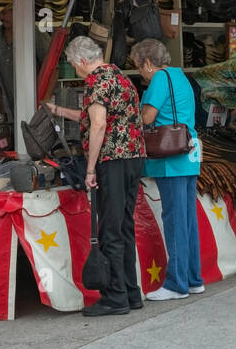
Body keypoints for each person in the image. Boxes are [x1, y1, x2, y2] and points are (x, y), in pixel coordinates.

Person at [47, 36, 146, 317]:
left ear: (81, 61)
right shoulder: (119, 77)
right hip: (133, 158)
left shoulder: (95, 82)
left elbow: (99, 124)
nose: (75, 71)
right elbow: (93, 116)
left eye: (72, 65)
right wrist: (57, 111)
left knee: (110, 231)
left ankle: (115, 298)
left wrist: (90, 169)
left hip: (112, 161)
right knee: (123, 226)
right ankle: (130, 292)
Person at [129, 38, 203, 302]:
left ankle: (176, 284)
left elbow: (147, 117)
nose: (140, 73)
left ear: (148, 62)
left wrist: (128, 115)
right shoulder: (179, 75)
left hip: (170, 158)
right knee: (187, 219)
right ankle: (194, 279)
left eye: (139, 66)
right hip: (189, 153)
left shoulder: (159, 79)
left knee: (174, 221)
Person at [0, 0, 51, 92]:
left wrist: (45, 97)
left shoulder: (34, 33)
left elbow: (51, 68)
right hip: (1, 101)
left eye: (4, 13)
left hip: (30, 99)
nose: (1, 17)